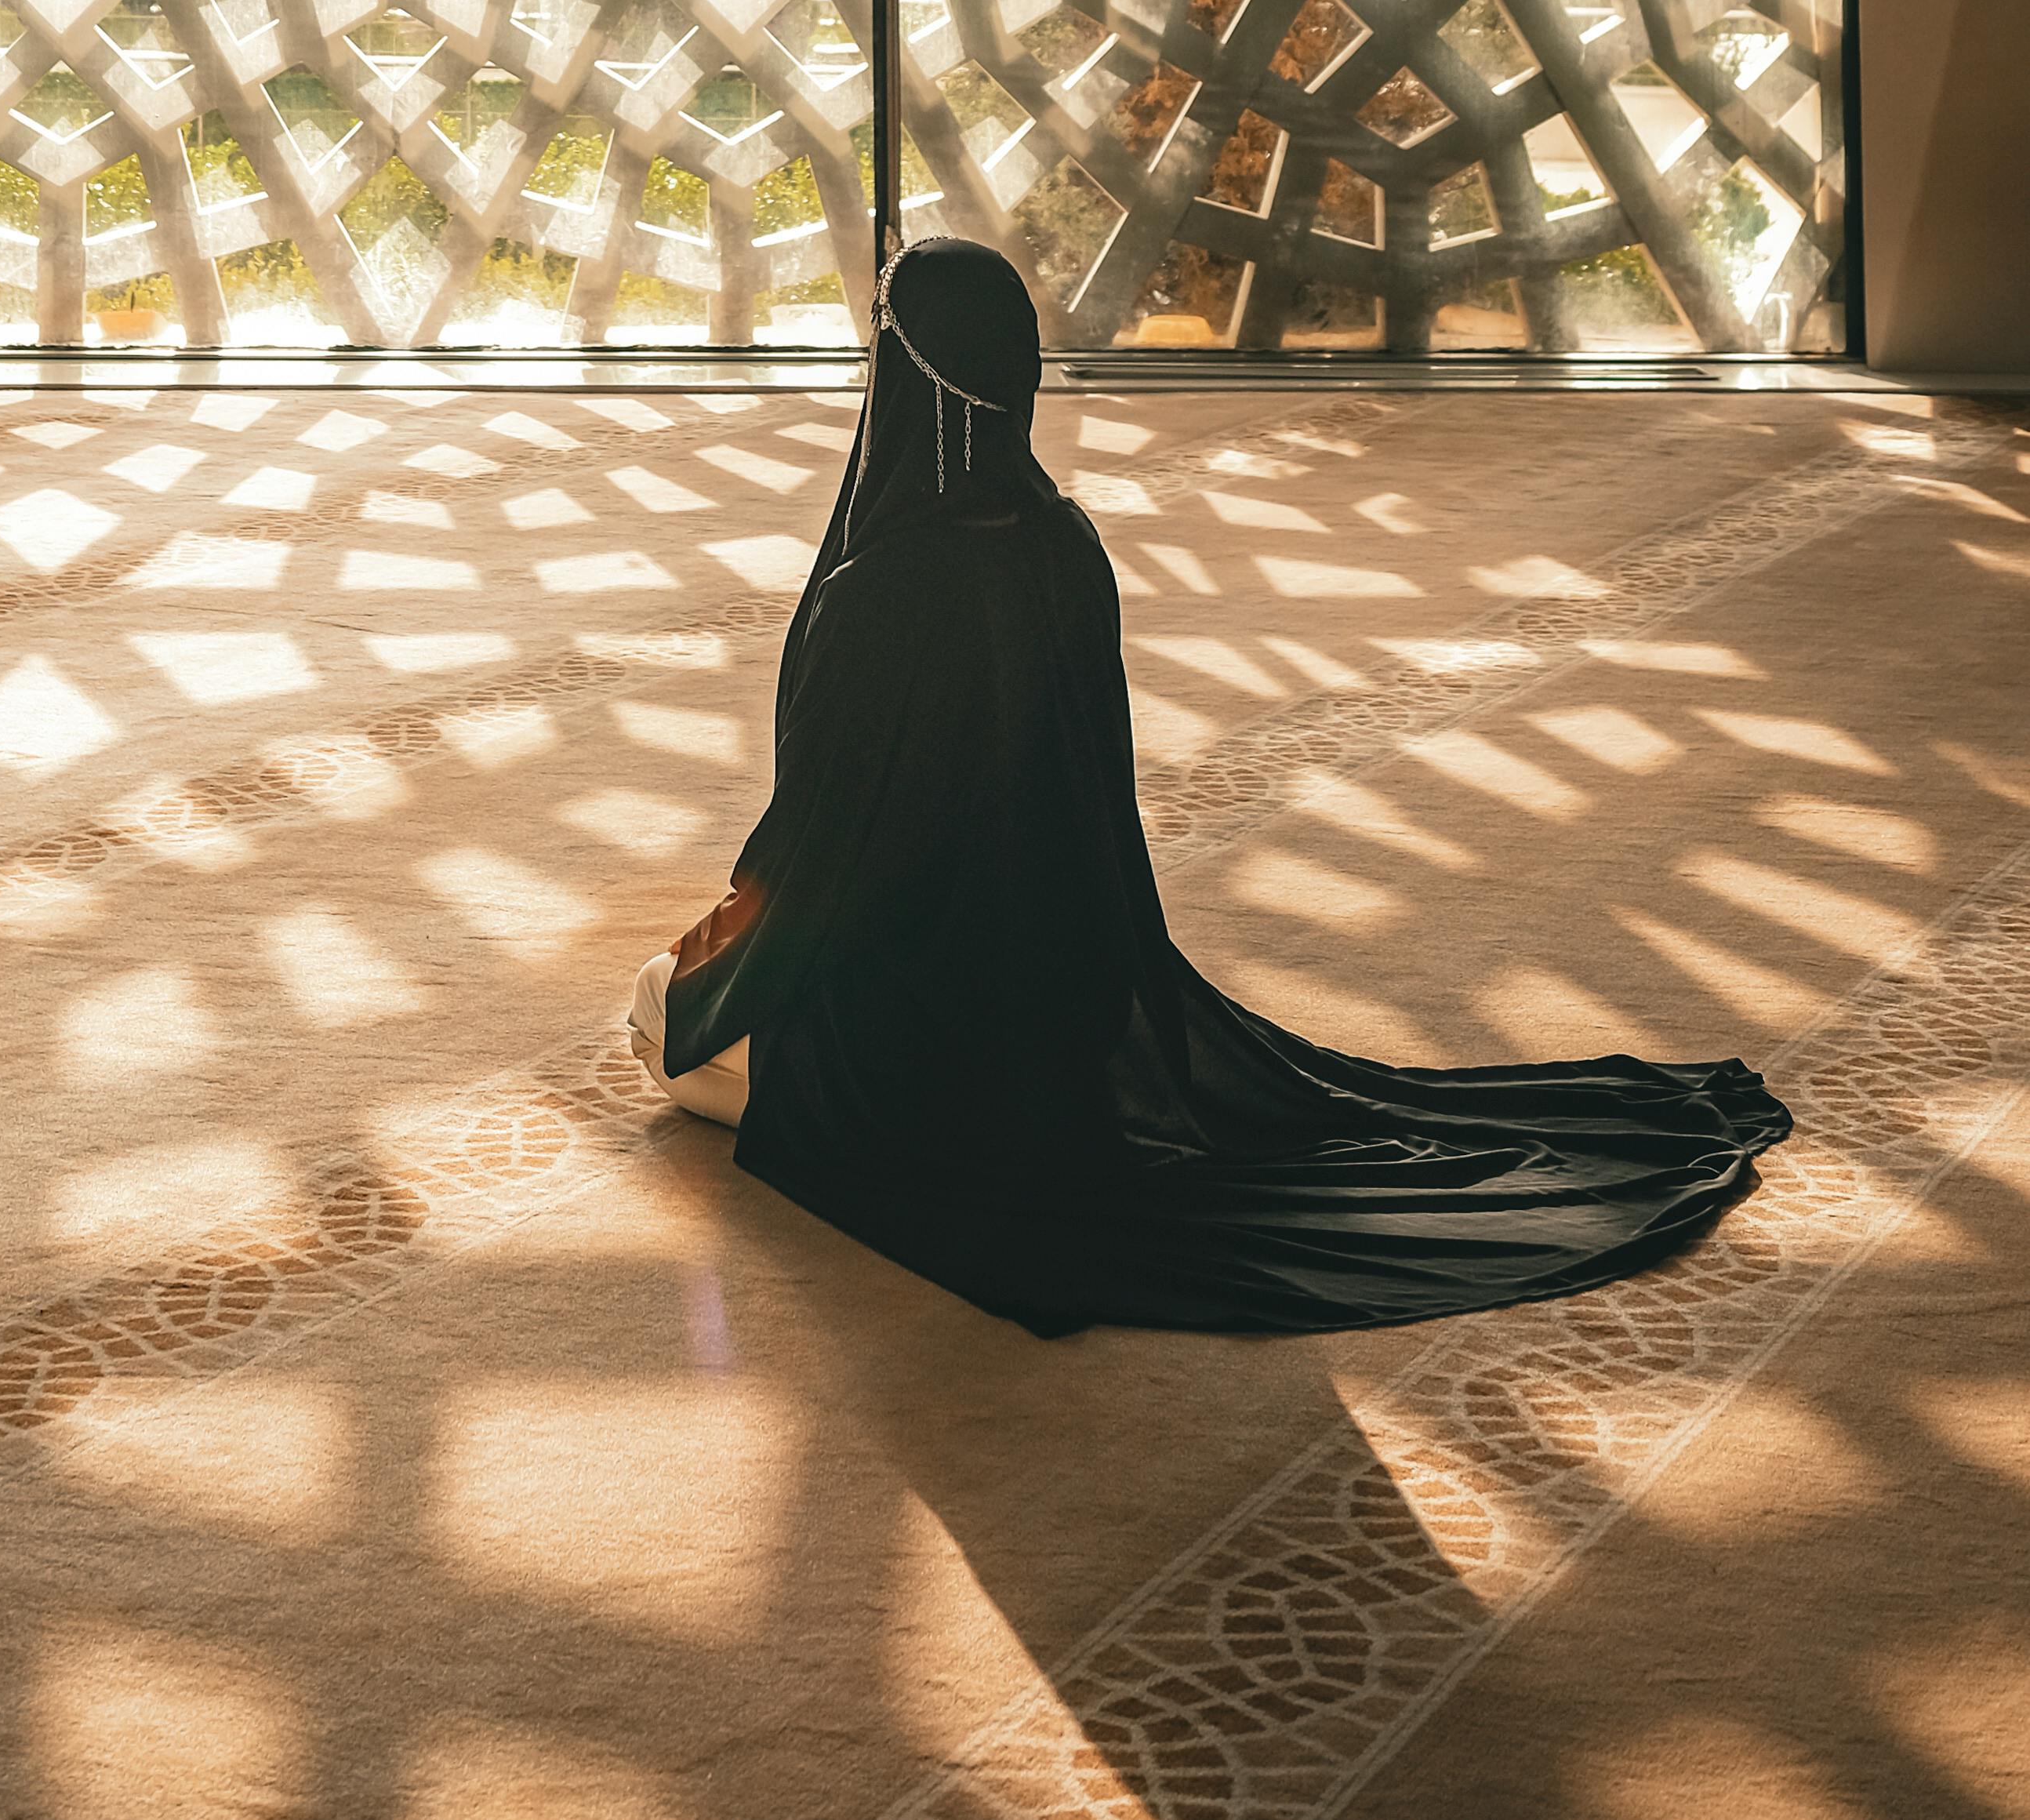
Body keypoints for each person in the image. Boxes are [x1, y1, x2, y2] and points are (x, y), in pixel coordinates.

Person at [630, 237, 1789, 1338]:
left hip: (925, 1048)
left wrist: (709, 979)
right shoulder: (1064, 546)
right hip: (1076, 1024)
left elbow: (826, 867)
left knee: (653, 1023)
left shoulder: (878, 593)